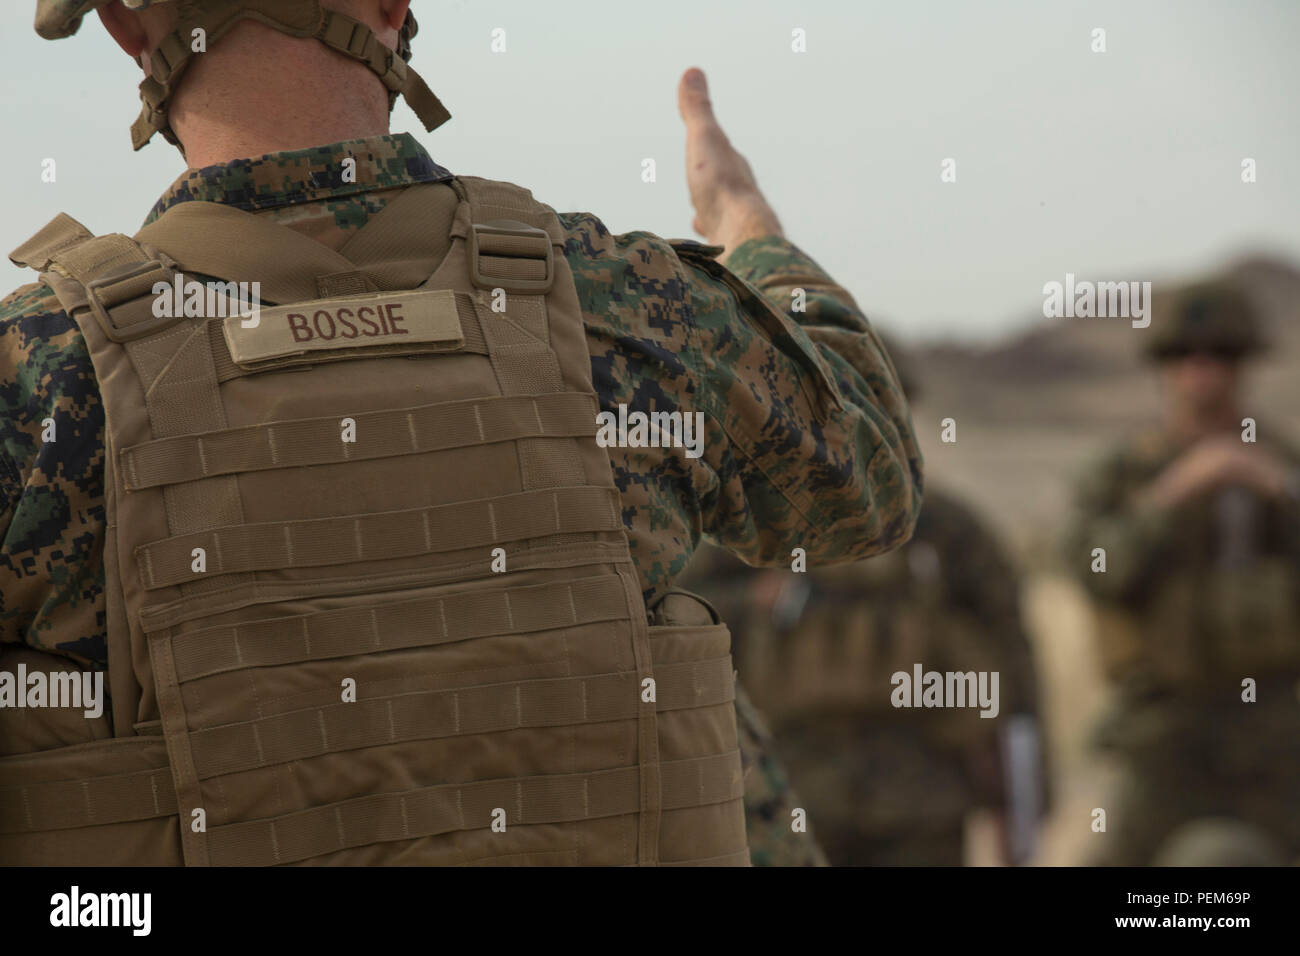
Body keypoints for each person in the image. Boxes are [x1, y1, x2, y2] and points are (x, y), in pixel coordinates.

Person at [0, 1, 922, 865]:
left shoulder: (36, 374)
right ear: (394, 6)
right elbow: (867, 478)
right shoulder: (623, 306)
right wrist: (748, 231)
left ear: (126, 28)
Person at [685, 342, 1047, 866]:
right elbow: (683, 619)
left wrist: (1022, 798)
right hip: (788, 790)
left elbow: (1012, 663)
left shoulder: (948, 531)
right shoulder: (753, 522)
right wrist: (759, 600)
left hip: (922, 798)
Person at [1066, 279, 1300, 866]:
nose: (1202, 373)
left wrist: (1278, 493)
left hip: (1274, 737)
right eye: (1185, 357)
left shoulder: (1281, 466)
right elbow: (1100, 570)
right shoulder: (1124, 475)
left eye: (1220, 355)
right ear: (1163, 367)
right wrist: (1172, 495)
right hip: (1161, 733)